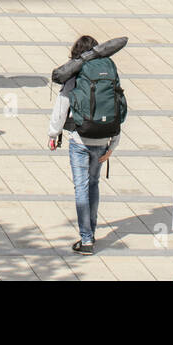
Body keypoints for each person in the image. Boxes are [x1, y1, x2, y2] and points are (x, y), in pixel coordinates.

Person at [47, 35, 124, 255]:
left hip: (80, 140)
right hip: (103, 140)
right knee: (93, 184)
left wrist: (53, 134)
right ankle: (92, 230)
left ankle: (86, 239)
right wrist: (113, 144)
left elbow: (62, 105)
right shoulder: (108, 70)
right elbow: (116, 104)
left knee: (81, 187)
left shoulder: (76, 73)